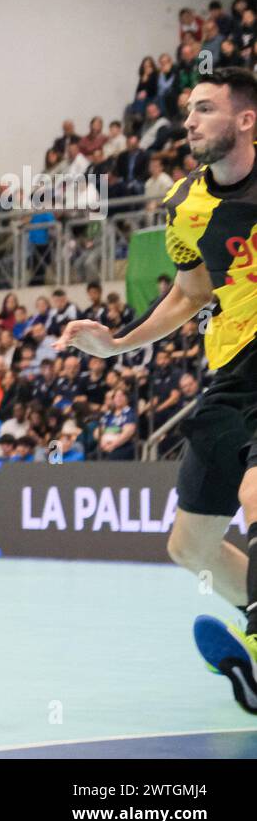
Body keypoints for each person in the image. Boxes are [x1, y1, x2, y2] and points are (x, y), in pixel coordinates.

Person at [58, 68, 257, 710]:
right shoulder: (182, 206)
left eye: (204, 109)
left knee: (255, 490)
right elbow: (190, 294)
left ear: (246, 119)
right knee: (189, 546)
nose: (189, 120)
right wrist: (117, 343)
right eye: (187, 110)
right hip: (230, 370)